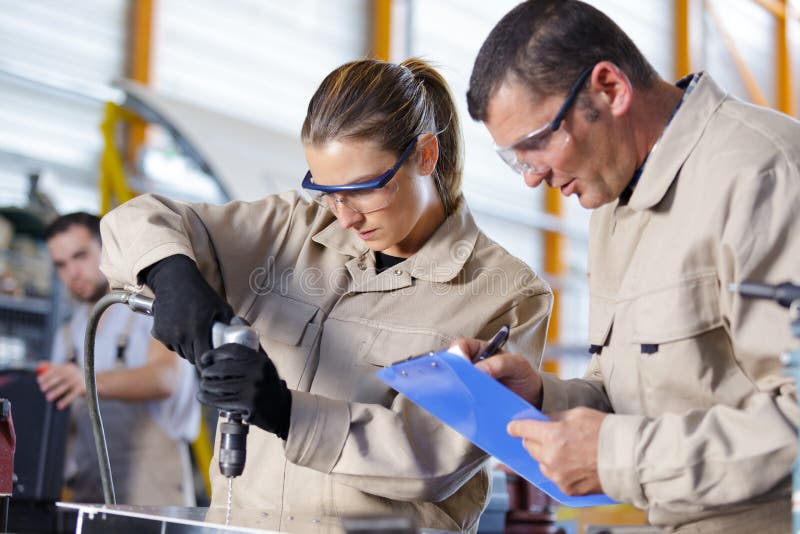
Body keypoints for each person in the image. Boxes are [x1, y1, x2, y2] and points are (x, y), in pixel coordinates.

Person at [98, 58, 552, 531]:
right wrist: (172, 276)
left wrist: (284, 411)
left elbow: (435, 455)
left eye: (363, 188)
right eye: (328, 189)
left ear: (425, 156)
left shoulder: (503, 294)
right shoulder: (291, 229)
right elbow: (137, 220)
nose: (346, 215)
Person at [460, 1, 800, 532]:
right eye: (516, 159)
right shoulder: (611, 203)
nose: (531, 177)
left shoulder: (767, 175)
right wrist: (544, 399)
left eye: (536, 144)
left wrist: (615, 456)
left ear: (610, 89)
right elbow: (636, 395)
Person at [38, 212, 199, 505]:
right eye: (61, 265)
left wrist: (87, 382)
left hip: (153, 490)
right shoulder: (67, 335)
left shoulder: (149, 309)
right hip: (89, 490)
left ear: (107, 249)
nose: (72, 272)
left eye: (80, 256)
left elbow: (166, 378)